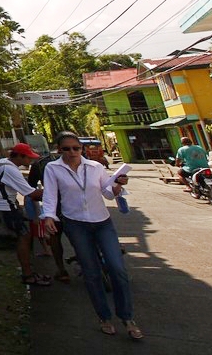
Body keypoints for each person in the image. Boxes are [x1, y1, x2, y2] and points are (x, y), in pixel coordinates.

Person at [41, 132, 142, 340]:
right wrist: (49, 215)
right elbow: (50, 194)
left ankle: (127, 317)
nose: (71, 152)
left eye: (75, 148)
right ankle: (104, 317)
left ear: (81, 149)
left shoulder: (95, 167)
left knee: (117, 268)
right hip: (75, 224)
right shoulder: (53, 168)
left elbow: (107, 193)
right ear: (59, 150)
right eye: (66, 149)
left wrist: (118, 185)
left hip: (102, 222)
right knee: (91, 272)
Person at [0, 142, 47, 286]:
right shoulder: (11, 170)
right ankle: (27, 274)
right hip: (4, 206)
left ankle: (28, 271)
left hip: (2, 204)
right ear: (19, 156)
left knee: (24, 235)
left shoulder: (3, 163)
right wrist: (57, 192)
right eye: (28, 158)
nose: (30, 161)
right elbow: (32, 194)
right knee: (24, 236)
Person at [27, 147, 70, 283]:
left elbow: (31, 187)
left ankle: (61, 270)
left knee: (55, 237)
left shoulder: (38, 165)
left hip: (54, 205)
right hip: (74, 205)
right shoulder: (75, 161)